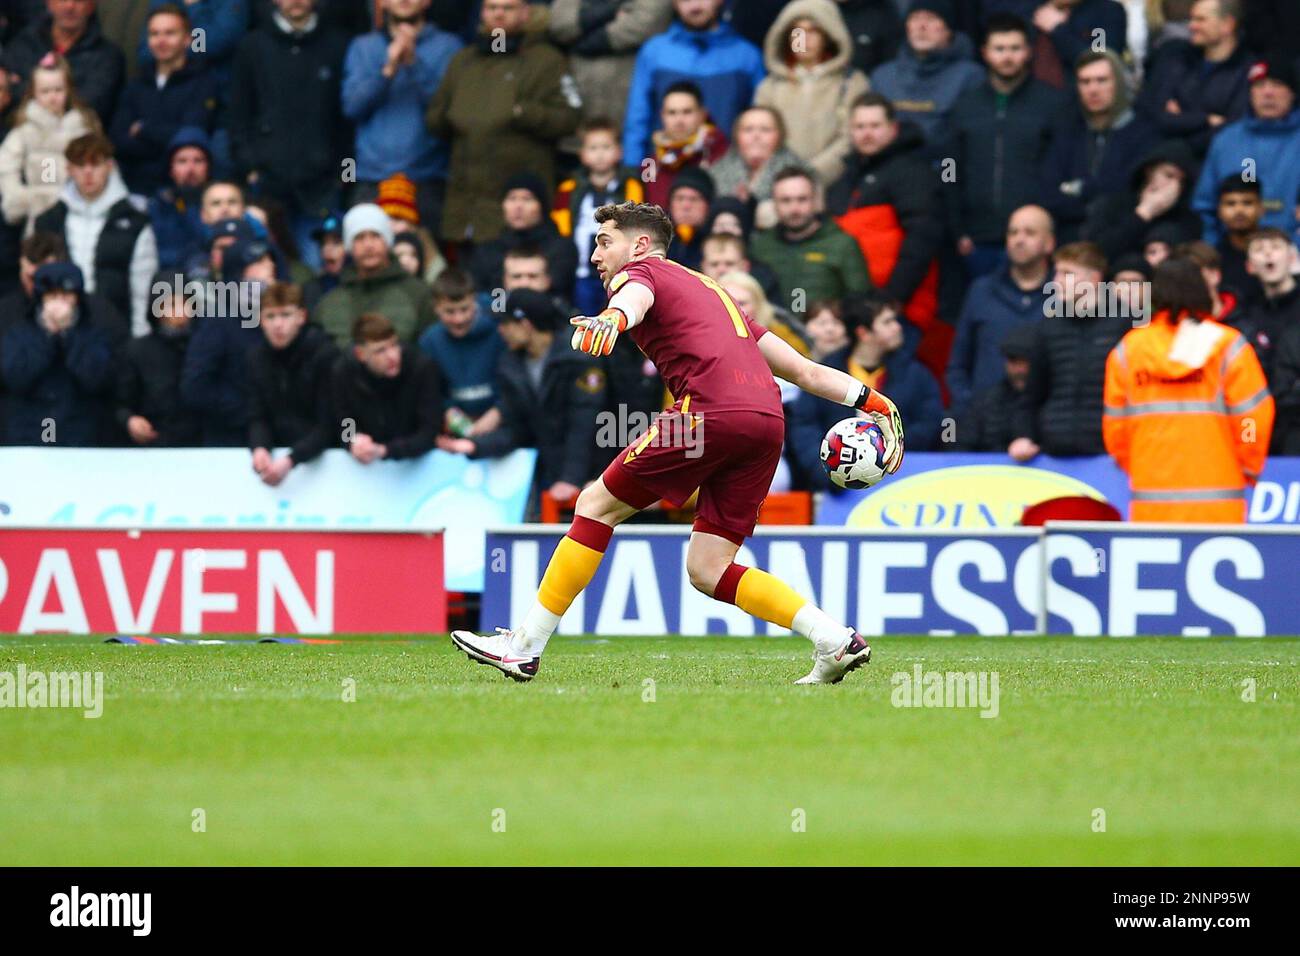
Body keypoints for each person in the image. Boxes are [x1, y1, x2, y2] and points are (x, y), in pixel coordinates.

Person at [449, 200, 906, 685]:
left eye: (604, 242)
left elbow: (633, 300)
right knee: (709, 568)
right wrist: (874, 402)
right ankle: (834, 639)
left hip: (706, 412)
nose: (596, 256)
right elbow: (803, 371)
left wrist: (612, 320)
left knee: (595, 504)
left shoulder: (640, 273)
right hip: (767, 421)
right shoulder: (715, 292)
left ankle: (523, 645)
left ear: (641, 245)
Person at [1103, 256, 1273, 521]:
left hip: (1151, 502)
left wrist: (1138, 464)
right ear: (1202, 291)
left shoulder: (1128, 350)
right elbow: (1251, 420)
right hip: (1219, 503)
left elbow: (1116, 429)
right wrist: (1248, 461)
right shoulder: (1227, 345)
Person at [425, 0, 581, 247]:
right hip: (465, 209)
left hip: (520, 212)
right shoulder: (463, 60)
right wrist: (453, 117)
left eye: (507, 8)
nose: (498, 14)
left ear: (525, 12)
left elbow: (570, 118)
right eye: (491, 7)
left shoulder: (548, 60)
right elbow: (435, 119)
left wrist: (524, 113)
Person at [447, 288, 608, 510]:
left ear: (526, 325)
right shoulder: (510, 365)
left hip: (596, 474)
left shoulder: (579, 357)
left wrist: (571, 478)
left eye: (505, 324)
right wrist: (475, 446)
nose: (501, 331)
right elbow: (517, 429)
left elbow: (584, 424)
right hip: (551, 479)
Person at [829, 92, 946, 386]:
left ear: (893, 129)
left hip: (897, 308)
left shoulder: (911, 172)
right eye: (859, 126)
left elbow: (922, 237)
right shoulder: (845, 178)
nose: (866, 133)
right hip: (855, 309)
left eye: (875, 125)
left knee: (896, 387)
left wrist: (893, 297)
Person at [229, 0, 351, 269]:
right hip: (268, 184)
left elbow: (347, 122)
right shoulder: (252, 46)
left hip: (321, 186)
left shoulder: (338, 45)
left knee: (317, 268)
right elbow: (239, 115)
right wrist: (249, 165)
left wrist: (346, 176)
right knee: (265, 272)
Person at [944, 12, 1065, 278]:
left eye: (1015, 48)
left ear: (1028, 52)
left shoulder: (1052, 104)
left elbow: (1061, 167)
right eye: (999, 49)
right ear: (985, 53)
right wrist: (958, 229)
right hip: (977, 239)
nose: (1007, 56)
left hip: (1035, 239)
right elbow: (949, 168)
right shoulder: (965, 105)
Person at [791, 293, 942, 487]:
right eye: (887, 322)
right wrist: (825, 472)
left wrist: (887, 456)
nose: (898, 327)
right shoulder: (827, 372)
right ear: (864, 333)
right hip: (834, 487)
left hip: (901, 482)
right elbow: (805, 426)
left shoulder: (916, 374)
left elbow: (928, 423)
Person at [341, 0, 463, 235]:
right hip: (372, 178)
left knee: (428, 263)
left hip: (428, 177)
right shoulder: (363, 47)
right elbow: (352, 108)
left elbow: (452, 111)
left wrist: (414, 65)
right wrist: (387, 70)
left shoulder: (449, 46)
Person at [1009, 241, 1132, 459]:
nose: (1056, 282)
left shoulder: (1125, 324)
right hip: (1056, 451)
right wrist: (1023, 436)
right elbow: (1032, 395)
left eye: (1067, 274)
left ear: (1094, 279)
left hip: (1112, 453)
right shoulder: (1048, 327)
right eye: (1057, 273)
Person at [32, 132, 157, 337]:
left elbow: (142, 287)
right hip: (58, 329)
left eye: (95, 164)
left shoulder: (135, 222)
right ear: (69, 170)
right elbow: (36, 280)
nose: (88, 172)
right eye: (80, 165)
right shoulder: (49, 220)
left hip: (115, 330)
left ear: (110, 167)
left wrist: (139, 335)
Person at [621, 0, 764, 163]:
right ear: (674, 3)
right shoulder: (654, 52)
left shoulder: (747, 56)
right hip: (662, 170)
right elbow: (637, 119)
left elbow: (759, 122)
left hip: (726, 169)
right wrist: (631, 170)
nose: (694, 6)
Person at [1040, 49, 1158, 243]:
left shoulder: (1143, 133)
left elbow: (1128, 195)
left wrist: (1079, 188)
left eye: (1102, 80)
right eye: (1085, 82)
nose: (1092, 89)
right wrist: (1096, 198)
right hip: (1071, 247)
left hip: (1125, 246)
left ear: (1118, 83)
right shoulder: (1067, 131)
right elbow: (1049, 196)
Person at [945, 204, 1055, 413]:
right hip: (985, 424)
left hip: (1045, 426)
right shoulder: (980, 290)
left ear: (1049, 243)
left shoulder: (1064, 296)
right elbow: (957, 365)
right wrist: (970, 406)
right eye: (1013, 232)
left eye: (1029, 232)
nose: (1019, 239)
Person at [753, 0, 871, 189]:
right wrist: (788, 176)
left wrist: (813, 173)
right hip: (779, 184)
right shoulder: (770, 86)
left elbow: (850, 137)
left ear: (829, 34)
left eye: (813, 30)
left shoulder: (851, 83)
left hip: (837, 184)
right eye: (796, 31)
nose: (803, 38)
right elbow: (759, 136)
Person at [109, 3, 219, 195]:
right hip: (133, 188)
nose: (161, 41)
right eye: (154, 34)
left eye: (169, 33)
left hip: (183, 192)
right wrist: (163, 138)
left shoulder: (204, 82)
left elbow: (190, 137)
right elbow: (118, 140)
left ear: (187, 39)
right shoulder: (136, 83)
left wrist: (143, 129)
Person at [0, 260, 112, 446]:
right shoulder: (18, 334)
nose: (59, 303)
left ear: (77, 298)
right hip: (29, 433)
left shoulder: (93, 334)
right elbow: (15, 379)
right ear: (41, 299)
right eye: (52, 296)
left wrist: (68, 336)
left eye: (66, 295)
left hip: (77, 434)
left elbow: (96, 380)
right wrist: (48, 336)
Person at [1191, 55, 1300, 244]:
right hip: (1235, 254)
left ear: (1293, 93)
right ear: (1250, 94)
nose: (1268, 93)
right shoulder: (1226, 141)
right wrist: (1214, 254)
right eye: (1259, 86)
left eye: (1276, 85)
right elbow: (1205, 206)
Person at [179, 237, 272, 446]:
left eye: (269, 260)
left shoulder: (278, 317)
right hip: (229, 445)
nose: (270, 267)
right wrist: (251, 411)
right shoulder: (218, 323)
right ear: (239, 274)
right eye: (259, 262)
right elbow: (195, 388)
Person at [552, 117, 646, 316]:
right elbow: (561, 225)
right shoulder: (568, 189)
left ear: (619, 151)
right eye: (593, 148)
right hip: (580, 271)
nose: (600, 154)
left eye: (606, 147)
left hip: (618, 270)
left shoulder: (631, 186)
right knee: (583, 317)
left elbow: (635, 222)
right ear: (582, 154)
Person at [247, 282, 338, 486]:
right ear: (261, 320)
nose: (278, 325)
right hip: (281, 458)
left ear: (301, 317)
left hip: (328, 462)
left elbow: (331, 423)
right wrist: (259, 447)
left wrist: (292, 459)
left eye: (286, 315)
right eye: (271, 316)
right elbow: (257, 415)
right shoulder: (256, 359)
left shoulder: (325, 355)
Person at [750, 167, 872, 317]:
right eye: (785, 200)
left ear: (815, 201)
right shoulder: (761, 246)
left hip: (827, 335)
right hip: (773, 335)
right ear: (774, 203)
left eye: (802, 199)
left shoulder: (843, 245)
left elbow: (861, 302)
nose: (794, 208)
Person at [1137, 0, 1251, 156]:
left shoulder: (1246, 70)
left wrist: (1182, 121)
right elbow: (1155, 114)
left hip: (1213, 159)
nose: (1191, 26)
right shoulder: (1175, 57)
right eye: (1192, 19)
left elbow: (1232, 129)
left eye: (1200, 20)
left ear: (1227, 25)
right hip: (1164, 159)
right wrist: (1205, 119)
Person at [315, 203, 436, 348]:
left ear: (388, 241)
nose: (368, 245)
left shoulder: (419, 294)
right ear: (349, 247)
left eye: (376, 236)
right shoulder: (329, 304)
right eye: (359, 238)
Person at [0, 54, 100, 229]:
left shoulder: (82, 127)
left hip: (77, 211)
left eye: (58, 90)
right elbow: (5, 166)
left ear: (68, 90)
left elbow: (100, 163)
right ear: (34, 93)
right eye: (45, 91)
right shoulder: (25, 130)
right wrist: (17, 197)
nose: (52, 97)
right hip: (38, 211)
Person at [330, 311, 443, 464]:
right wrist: (352, 440)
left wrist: (386, 450)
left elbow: (430, 430)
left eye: (394, 345)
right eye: (380, 350)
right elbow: (343, 419)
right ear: (360, 354)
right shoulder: (343, 372)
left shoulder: (420, 367)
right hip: (367, 466)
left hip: (417, 463)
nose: (393, 356)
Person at [548, 0, 674, 134]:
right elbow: (559, 24)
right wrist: (611, 11)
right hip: (577, 115)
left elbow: (647, 20)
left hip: (627, 115)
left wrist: (584, 42)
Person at [868, 0, 983, 147]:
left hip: (946, 164)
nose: (921, 26)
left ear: (948, 29)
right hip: (891, 164)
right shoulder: (883, 77)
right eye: (915, 18)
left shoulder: (970, 77)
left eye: (931, 18)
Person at [0, 0, 125, 125]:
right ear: (49, 3)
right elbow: (5, 93)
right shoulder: (24, 43)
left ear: (91, 5)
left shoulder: (108, 58)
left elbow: (90, 108)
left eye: (79, 1)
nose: (69, 5)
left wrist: (23, 90)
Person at [114, 267, 201, 446]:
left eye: (183, 303)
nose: (178, 312)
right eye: (170, 304)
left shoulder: (205, 346)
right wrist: (129, 420)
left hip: (201, 445)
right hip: (154, 447)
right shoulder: (137, 351)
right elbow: (120, 402)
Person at [1081, 138, 1202, 262]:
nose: (1174, 187)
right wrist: (1144, 214)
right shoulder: (1113, 205)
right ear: (1149, 171)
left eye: (1181, 181)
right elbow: (1096, 255)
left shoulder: (1188, 219)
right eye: (1169, 175)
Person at [419, 267, 504, 439]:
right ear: (436, 308)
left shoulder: (499, 332)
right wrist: (450, 413)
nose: (459, 319)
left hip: (501, 422)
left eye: (465, 309)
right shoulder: (429, 341)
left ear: (474, 301)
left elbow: (514, 382)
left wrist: (499, 412)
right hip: (456, 428)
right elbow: (431, 390)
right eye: (450, 311)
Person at [467, 172, 579, 301]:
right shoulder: (488, 251)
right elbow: (485, 298)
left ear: (541, 206)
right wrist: (504, 316)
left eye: (527, 199)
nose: (518, 206)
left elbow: (558, 290)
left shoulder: (561, 248)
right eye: (512, 198)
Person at [707, 106, 811, 230]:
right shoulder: (715, 173)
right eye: (748, 130)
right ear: (736, 135)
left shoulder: (801, 173)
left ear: (780, 135)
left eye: (765, 130)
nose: (756, 136)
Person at [1231, 227, 1300, 400]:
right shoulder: (1246, 314)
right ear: (1250, 266)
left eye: (1276, 247)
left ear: (1292, 258)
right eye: (1259, 249)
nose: (1268, 253)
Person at [641, 79, 729, 208]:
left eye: (687, 112)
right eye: (672, 112)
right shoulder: (649, 164)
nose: (679, 120)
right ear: (662, 116)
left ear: (702, 114)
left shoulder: (720, 154)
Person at [956, 322, 1036, 451]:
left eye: (1026, 361)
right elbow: (961, 449)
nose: (1020, 369)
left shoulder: (1053, 401)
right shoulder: (986, 404)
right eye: (1014, 361)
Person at [148, 127, 213, 273]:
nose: (190, 169)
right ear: (171, 168)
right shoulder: (157, 207)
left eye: (198, 161)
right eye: (182, 161)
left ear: (208, 167)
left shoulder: (221, 202)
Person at [1026, 0, 1129, 89]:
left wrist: (1058, 30)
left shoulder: (1106, 11)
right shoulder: (1027, 8)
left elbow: (1101, 60)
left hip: (1083, 100)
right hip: (1029, 100)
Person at [1212, 174, 1265, 302]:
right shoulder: (1212, 258)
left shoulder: (1280, 254)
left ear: (1261, 208)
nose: (1239, 210)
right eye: (1230, 204)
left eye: (1247, 203)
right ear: (1219, 210)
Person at [664, 166, 713, 271]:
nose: (686, 206)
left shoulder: (716, 237)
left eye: (694, 199)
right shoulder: (659, 239)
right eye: (679, 198)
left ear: (708, 205)